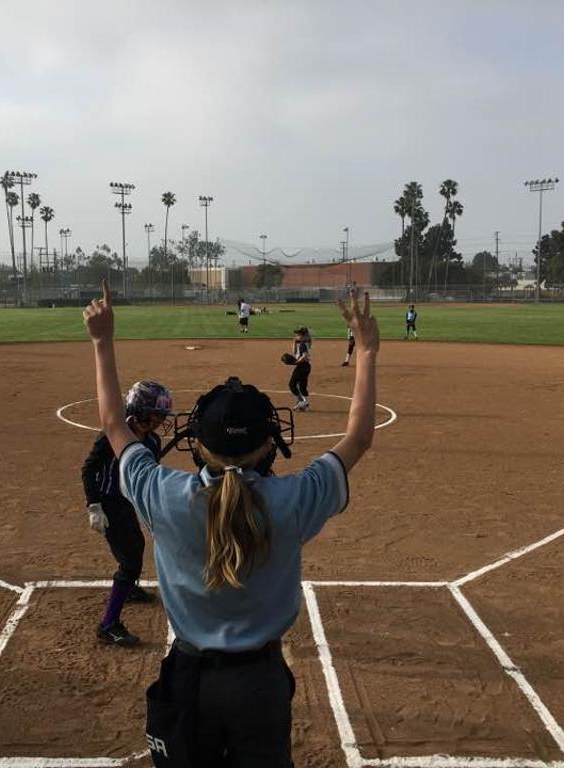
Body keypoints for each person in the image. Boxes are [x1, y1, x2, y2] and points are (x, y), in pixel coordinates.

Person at [82, 279, 379, 768]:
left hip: (188, 678)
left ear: (197, 444)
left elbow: (115, 424)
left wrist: (102, 342)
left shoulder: (164, 495)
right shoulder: (293, 499)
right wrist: (365, 350)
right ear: (270, 443)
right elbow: (360, 437)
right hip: (259, 686)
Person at [81, 380, 173, 647]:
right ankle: (108, 625)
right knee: (130, 560)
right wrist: (93, 505)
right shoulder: (114, 436)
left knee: (136, 545)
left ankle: (129, 589)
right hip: (109, 504)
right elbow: (88, 469)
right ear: (141, 411)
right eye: (156, 415)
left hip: (125, 502)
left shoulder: (152, 441)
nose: (160, 421)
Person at [289, 326, 312, 411]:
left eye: (298, 335)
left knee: (292, 384)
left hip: (302, 366)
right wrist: (294, 342)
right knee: (302, 386)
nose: (296, 336)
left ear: (303, 335)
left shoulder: (302, 344)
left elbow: (304, 356)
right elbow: (294, 352)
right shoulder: (306, 342)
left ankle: (302, 402)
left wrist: (296, 362)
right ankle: (305, 404)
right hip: (307, 366)